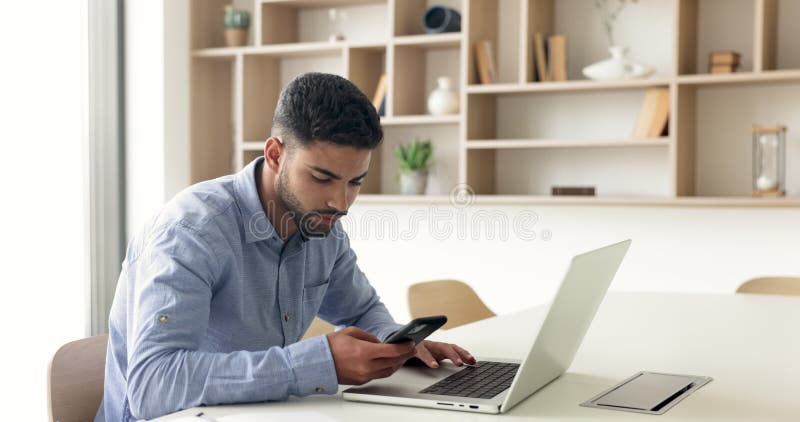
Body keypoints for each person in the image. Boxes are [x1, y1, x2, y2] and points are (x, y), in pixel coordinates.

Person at [96, 72, 476, 421]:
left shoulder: (321, 225)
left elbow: (362, 311)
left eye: (355, 182)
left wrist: (397, 343)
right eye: (322, 178)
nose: (341, 203)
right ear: (275, 155)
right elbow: (153, 386)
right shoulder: (190, 231)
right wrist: (315, 363)